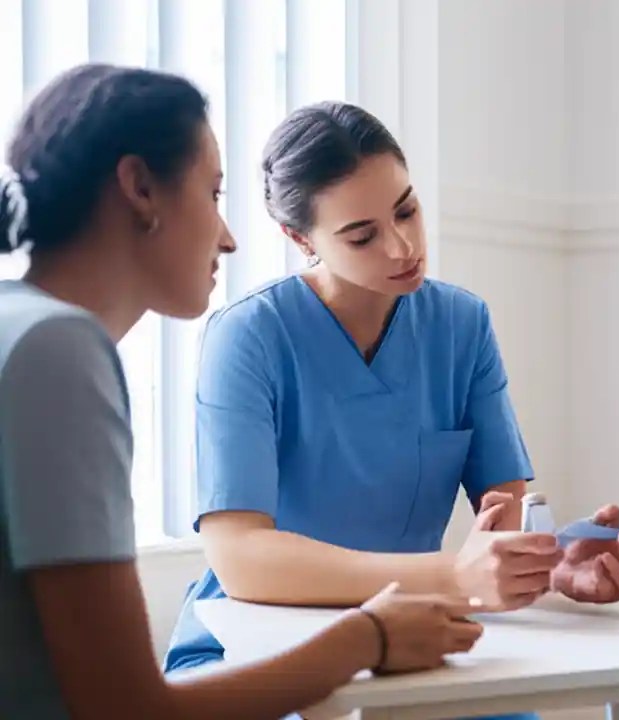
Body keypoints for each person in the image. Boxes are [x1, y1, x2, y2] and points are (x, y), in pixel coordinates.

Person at [0, 63, 482, 720]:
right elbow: (125, 708)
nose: (227, 237)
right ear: (140, 188)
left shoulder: (20, 329)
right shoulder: (59, 351)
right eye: (214, 194)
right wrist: (368, 636)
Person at [163, 102, 619, 717]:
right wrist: (450, 577)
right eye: (362, 235)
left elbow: (504, 519)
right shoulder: (248, 337)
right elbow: (241, 561)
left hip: (421, 643)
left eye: (407, 210)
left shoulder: (461, 324)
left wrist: (549, 569)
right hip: (253, 646)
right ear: (299, 238)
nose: (402, 246)